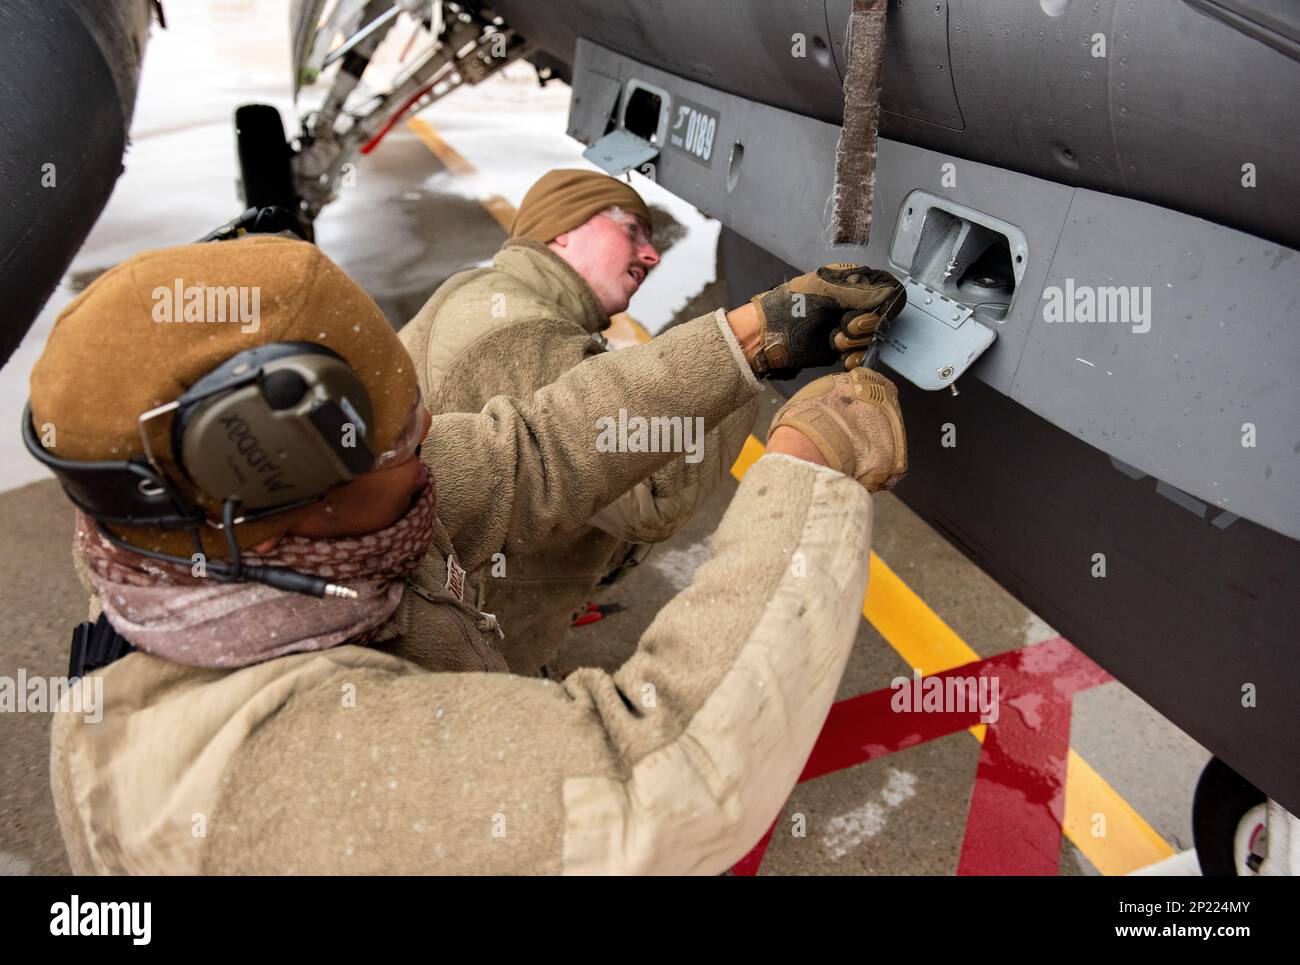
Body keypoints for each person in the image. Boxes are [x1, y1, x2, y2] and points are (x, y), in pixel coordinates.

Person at [34, 233, 907, 874]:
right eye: (400, 446)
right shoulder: (260, 777)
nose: (430, 454)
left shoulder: (268, 548)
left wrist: (748, 340)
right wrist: (806, 470)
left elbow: (532, 448)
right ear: (266, 488)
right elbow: (657, 777)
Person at [399, 168, 759, 675]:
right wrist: (742, 362)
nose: (651, 255)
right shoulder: (530, 334)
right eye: (631, 230)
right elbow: (654, 497)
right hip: (478, 649)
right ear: (560, 231)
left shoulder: (474, 289)